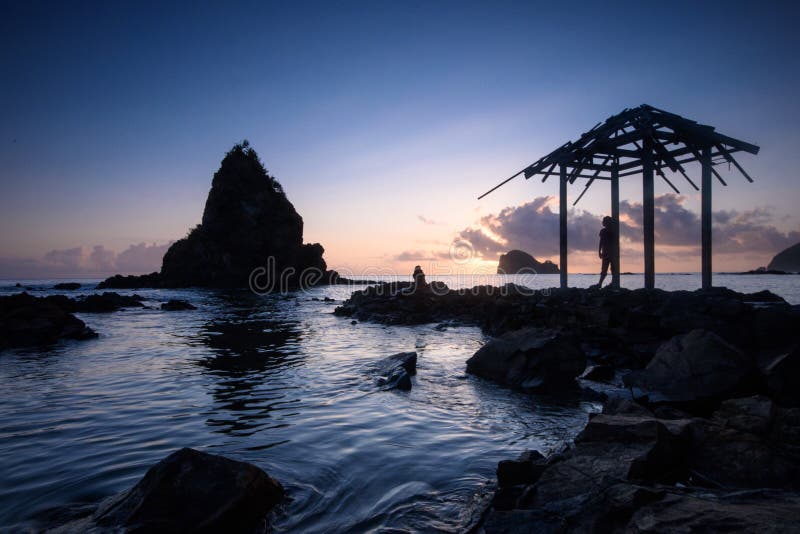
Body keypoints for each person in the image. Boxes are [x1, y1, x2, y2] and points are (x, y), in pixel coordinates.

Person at [596, 216, 617, 288]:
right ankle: (600, 283)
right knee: (604, 269)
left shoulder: (613, 231)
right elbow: (601, 242)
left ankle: (613, 283)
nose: (603, 222)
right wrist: (599, 251)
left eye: (605, 221)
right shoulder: (603, 231)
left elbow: (615, 242)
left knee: (613, 269)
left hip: (612, 253)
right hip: (605, 252)